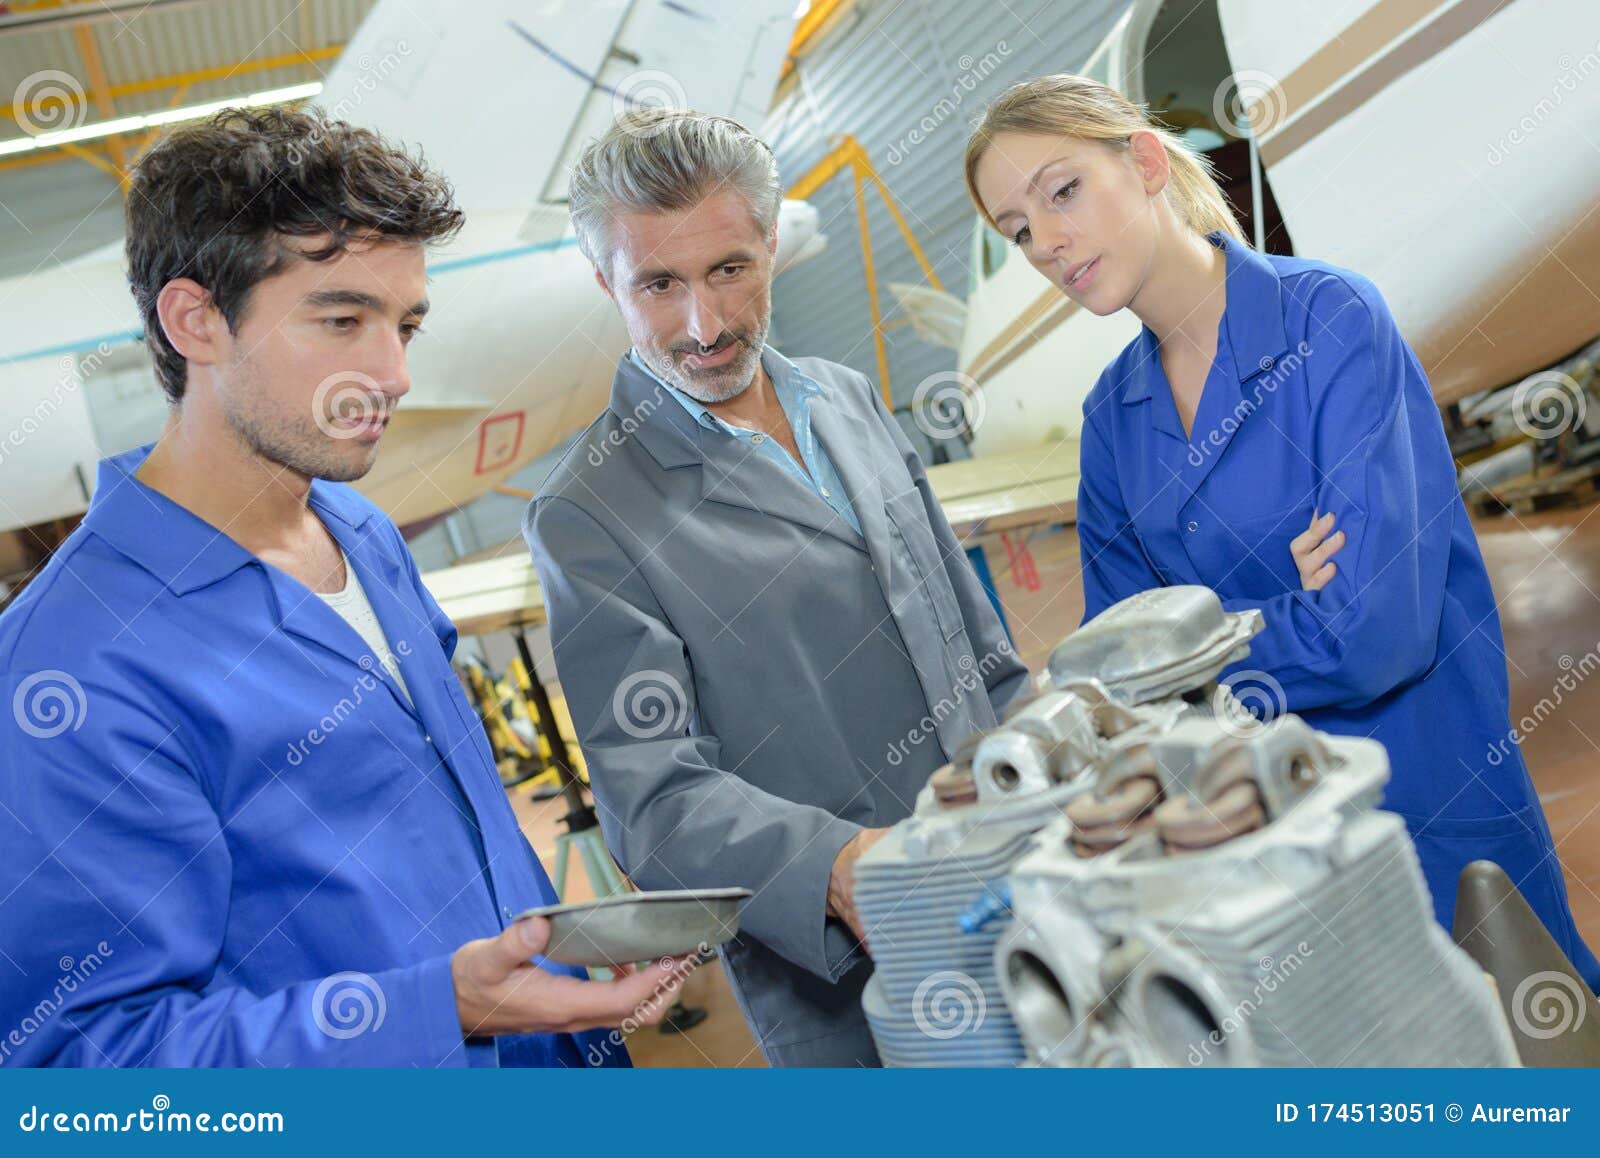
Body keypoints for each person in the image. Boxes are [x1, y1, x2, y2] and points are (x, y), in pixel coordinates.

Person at [0, 107, 693, 1068]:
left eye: (405, 324)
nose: (396, 372)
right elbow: (86, 1065)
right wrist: (434, 1010)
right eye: (341, 320)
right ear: (194, 320)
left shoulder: (360, 533)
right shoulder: (70, 665)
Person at [964, 74, 1600, 990]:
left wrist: (1203, 638)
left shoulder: (1332, 324)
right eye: (1018, 230)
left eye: (1062, 191)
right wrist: (1279, 607)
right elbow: (1114, 680)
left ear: (1143, 162)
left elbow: (1374, 636)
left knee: (1526, 1063)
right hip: (1252, 853)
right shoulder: (1112, 419)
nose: (1048, 244)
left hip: (1426, 804)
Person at [524, 109, 1030, 1066]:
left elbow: (981, 654)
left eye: (729, 270)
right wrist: (835, 869)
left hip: (1020, 887)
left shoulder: (847, 398)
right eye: (658, 286)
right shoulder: (590, 511)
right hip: (850, 983)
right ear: (607, 284)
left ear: (770, 245)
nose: (704, 327)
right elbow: (654, 804)